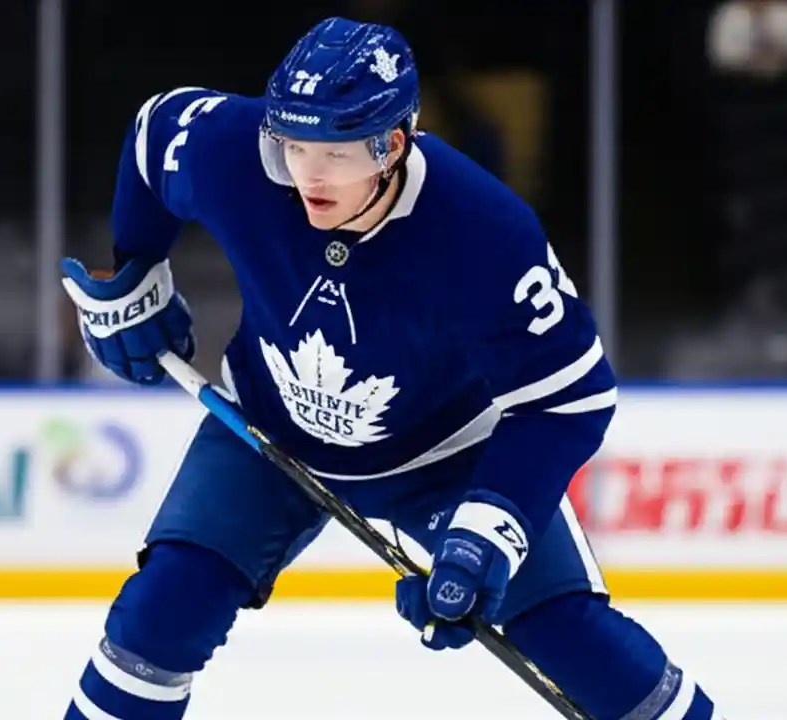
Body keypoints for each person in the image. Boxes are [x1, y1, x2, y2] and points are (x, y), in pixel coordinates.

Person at [60, 18, 722, 720]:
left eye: (336, 154)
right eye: (293, 147)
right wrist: (134, 271)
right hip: (268, 426)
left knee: (578, 645)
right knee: (159, 617)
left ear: (392, 146)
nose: (308, 175)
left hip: (449, 453)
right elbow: (153, 133)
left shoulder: (483, 231)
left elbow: (572, 399)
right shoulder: (236, 152)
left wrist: (485, 533)